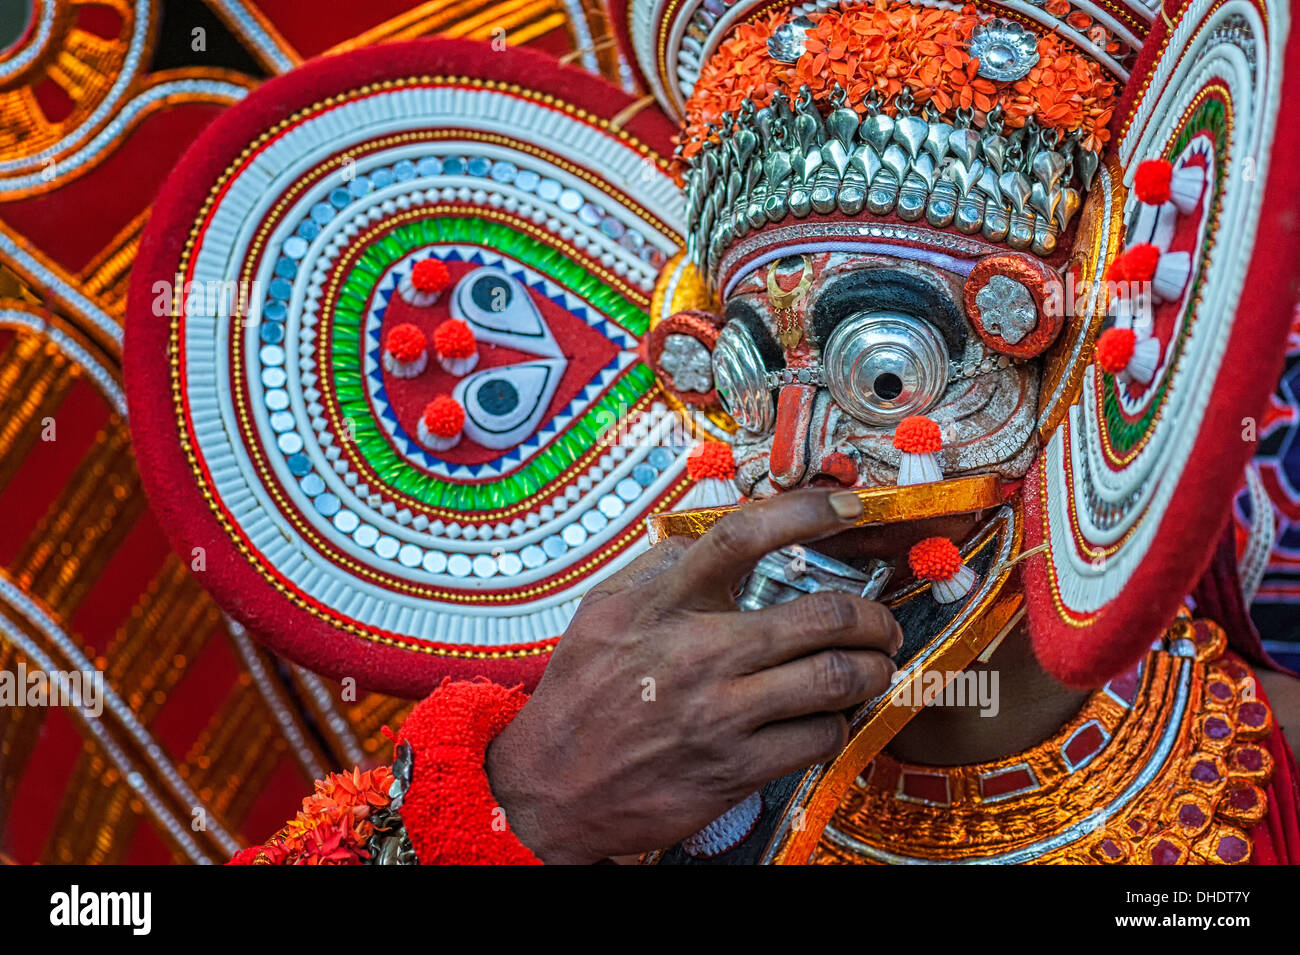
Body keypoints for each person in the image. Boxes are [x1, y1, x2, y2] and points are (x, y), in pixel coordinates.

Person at [134, 0, 1296, 865]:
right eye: (744, 384)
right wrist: (523, 805)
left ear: (1088, 352)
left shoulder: (1256, 765)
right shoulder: (622, 775)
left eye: (884, 377)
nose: (789, 459)